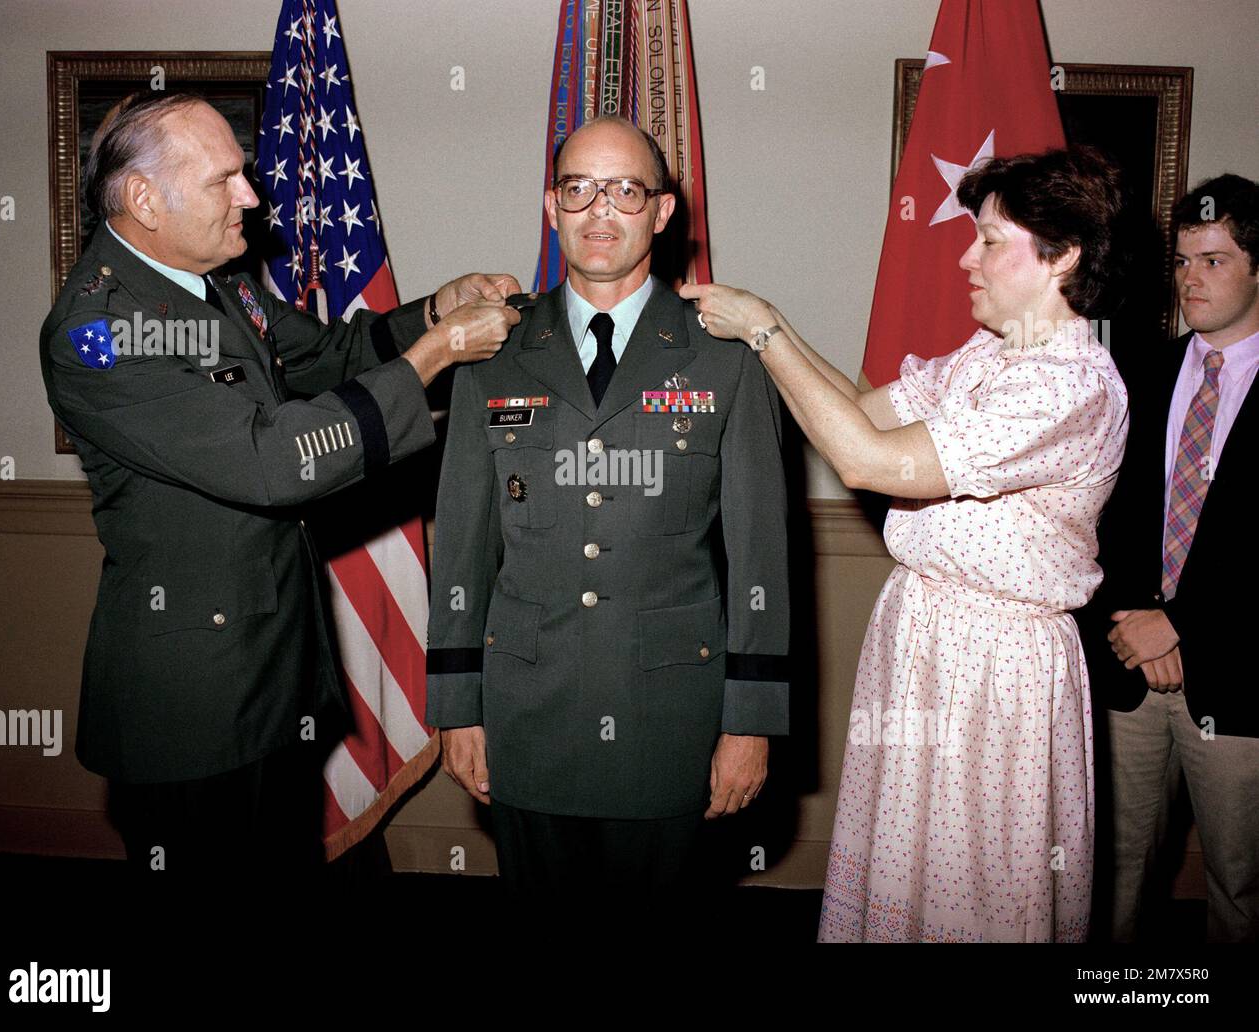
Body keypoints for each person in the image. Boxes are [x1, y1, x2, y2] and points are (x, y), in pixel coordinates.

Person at [39, 91, 521, 874]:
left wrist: (436, 311)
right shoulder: (98, 332)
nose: (251, 198)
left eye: (245, 174)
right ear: (145, 200)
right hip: (194, 704)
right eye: (223, 180)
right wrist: (435, 357)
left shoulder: (215, 283)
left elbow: (328, 356)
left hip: (273, 668)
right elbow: (272, 461)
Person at [685, 148, 1130, 941]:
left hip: (996, 666)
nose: (967, 258)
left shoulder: (1069, 384)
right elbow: (864, 412)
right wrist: (771, 324)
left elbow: (867, 461)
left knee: (975, 891)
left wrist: (761, 332)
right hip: (926, 636)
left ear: (1061, 255)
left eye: (990, 241)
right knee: (907, 871)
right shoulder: (995, 351)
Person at [425, 116, 789, 923]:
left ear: (662, 211)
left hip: (670, 715)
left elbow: (761, 557)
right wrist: (457, 706)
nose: (599, 210)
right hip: (528, 712)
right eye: (578, 188)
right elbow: (463, 549)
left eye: (625, 190)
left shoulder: (725, 354)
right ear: (550, 205)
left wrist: (752, 724)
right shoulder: (491, 351)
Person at [1080, 174, 1259, 942]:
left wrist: (1180, 624)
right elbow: (1099, 517)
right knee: (1110, 878)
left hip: (1242, 685)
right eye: (1183, 261)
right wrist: (1138, 625)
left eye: (1214, 260)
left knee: (1241, 887)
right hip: (1128, 672)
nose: (1191, 278)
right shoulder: (1136, 372)